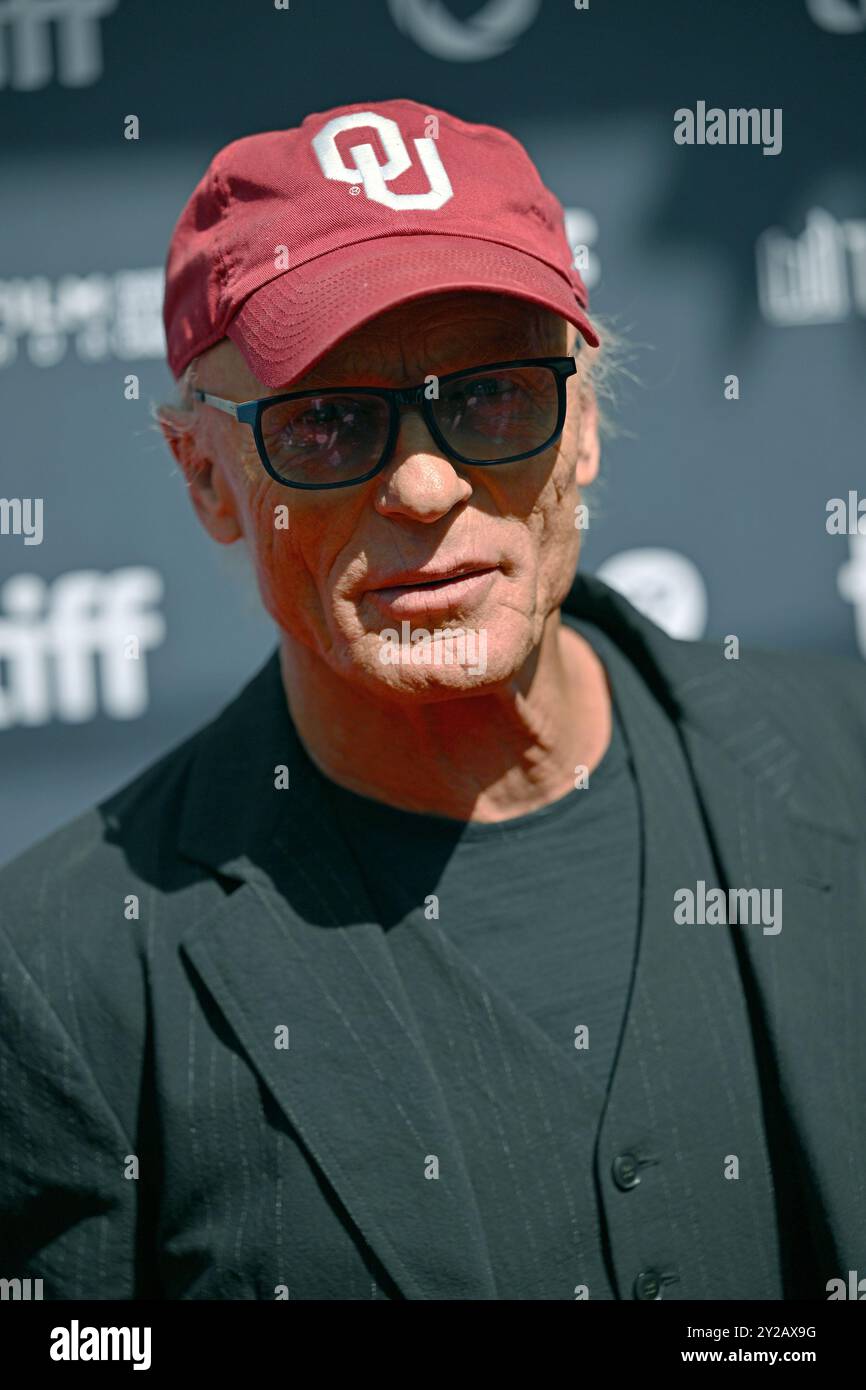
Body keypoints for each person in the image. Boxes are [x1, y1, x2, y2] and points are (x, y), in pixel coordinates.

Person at [0, 98, 863, 1302]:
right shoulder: (62, 969)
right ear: (206, 477)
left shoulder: (844, 759)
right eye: (327, 421)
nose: (422, 480)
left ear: (586, 423)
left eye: (495, 395)